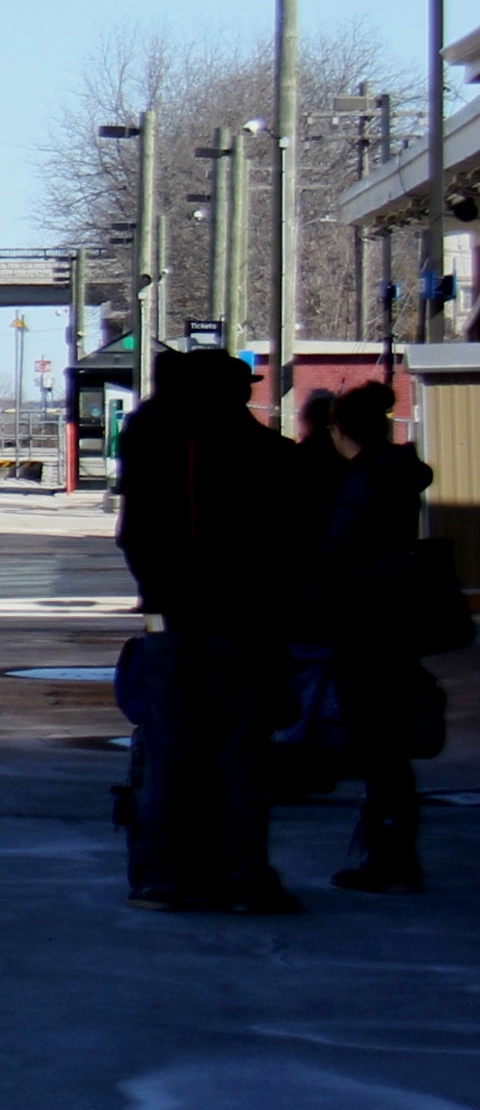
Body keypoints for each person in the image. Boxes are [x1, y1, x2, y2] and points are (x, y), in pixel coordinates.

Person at [114, 349, 307, 913]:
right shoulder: (270, 455)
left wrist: (156, 596)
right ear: (236, 393)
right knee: (241, 749)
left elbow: (132, 536)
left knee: (169, 745)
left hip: (168, 619)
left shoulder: (150, 443)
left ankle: (164, 876)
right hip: (243, 621)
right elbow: (293, 546)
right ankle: (242, 876)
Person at [312, 381, 436, 893]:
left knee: (376, 745)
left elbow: (338, 552)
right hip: (396, 619)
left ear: (342, 431)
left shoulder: (363, 482)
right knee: (389, 745)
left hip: (364, 622)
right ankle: (394, 848)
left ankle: (388, 855)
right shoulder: (399, 474)